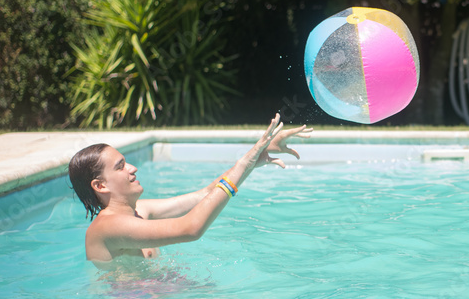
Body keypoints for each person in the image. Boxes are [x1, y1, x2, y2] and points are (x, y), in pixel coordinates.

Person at [69, 114, 311, 268]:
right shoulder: (108, 227)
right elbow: (191, 228)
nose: (133, 168)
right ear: (100, 186)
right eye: (120, 167)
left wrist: (255, 156)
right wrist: (246, 162)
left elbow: (205, 194)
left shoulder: (138, 211)